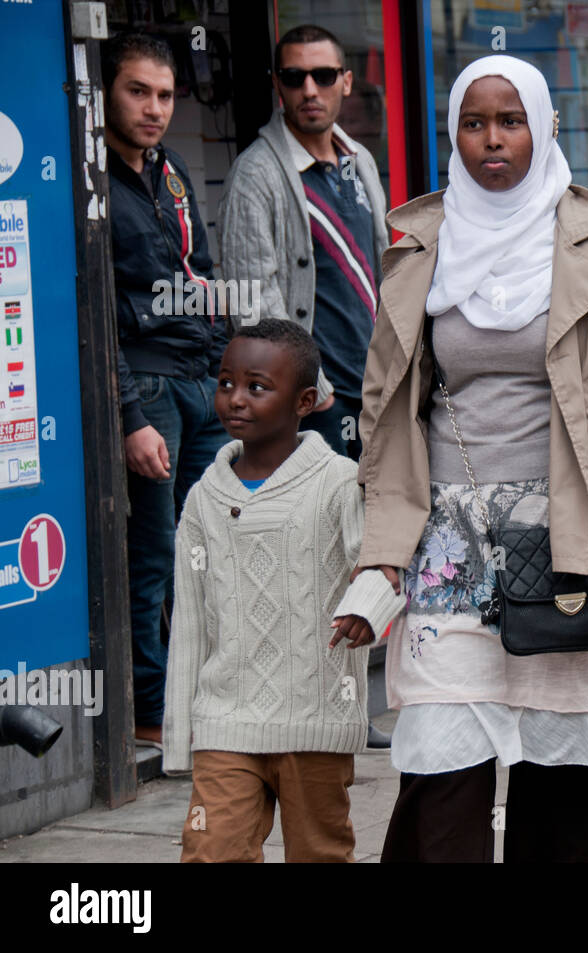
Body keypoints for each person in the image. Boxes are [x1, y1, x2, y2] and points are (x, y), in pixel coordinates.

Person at [354, 55, 588, 863]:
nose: (491, 139)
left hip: (564, 538)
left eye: (510, 121)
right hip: (448, 545)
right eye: (474, 122)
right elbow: (387, 406)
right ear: (453, 134)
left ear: (544, 126)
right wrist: (381, 556)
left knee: (563, 779)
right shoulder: (417, 243)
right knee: (439, 765)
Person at [162, 319, 404, 862]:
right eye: (225, 383)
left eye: (256, 386)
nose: (235, 400)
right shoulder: (204, 498)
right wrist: (183, 738)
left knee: (319, 852)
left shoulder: (339, 481)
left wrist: (367, 610)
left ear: (306, 401)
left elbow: (380, 565)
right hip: (227, 722)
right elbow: (192, 623)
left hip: (314, 720)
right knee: (210, 851)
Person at [104, 33, 230, 750]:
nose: (153, 109)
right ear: (107, 93)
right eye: (137, 92)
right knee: (151, 558)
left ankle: (196, 699)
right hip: (145, 388)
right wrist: (129, 415)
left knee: (203, 557)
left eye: (164, 94)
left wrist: (218, 371)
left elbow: (204, 274)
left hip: (194, 385)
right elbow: (95, 310)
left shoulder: (172, 169)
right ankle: (150, 711)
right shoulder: (88, 178)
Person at [218, 24, 388, 461]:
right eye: (294, 77)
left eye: (324, 76)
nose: (310, 89)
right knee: (319, 526)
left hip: (377, 389)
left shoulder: (360, 160)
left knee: (378, 522)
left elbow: (381, 270)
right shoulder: (255, 174)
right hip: (317, 402)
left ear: (346, 82)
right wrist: (316, 388)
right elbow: (252, 301)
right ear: (277, 84)